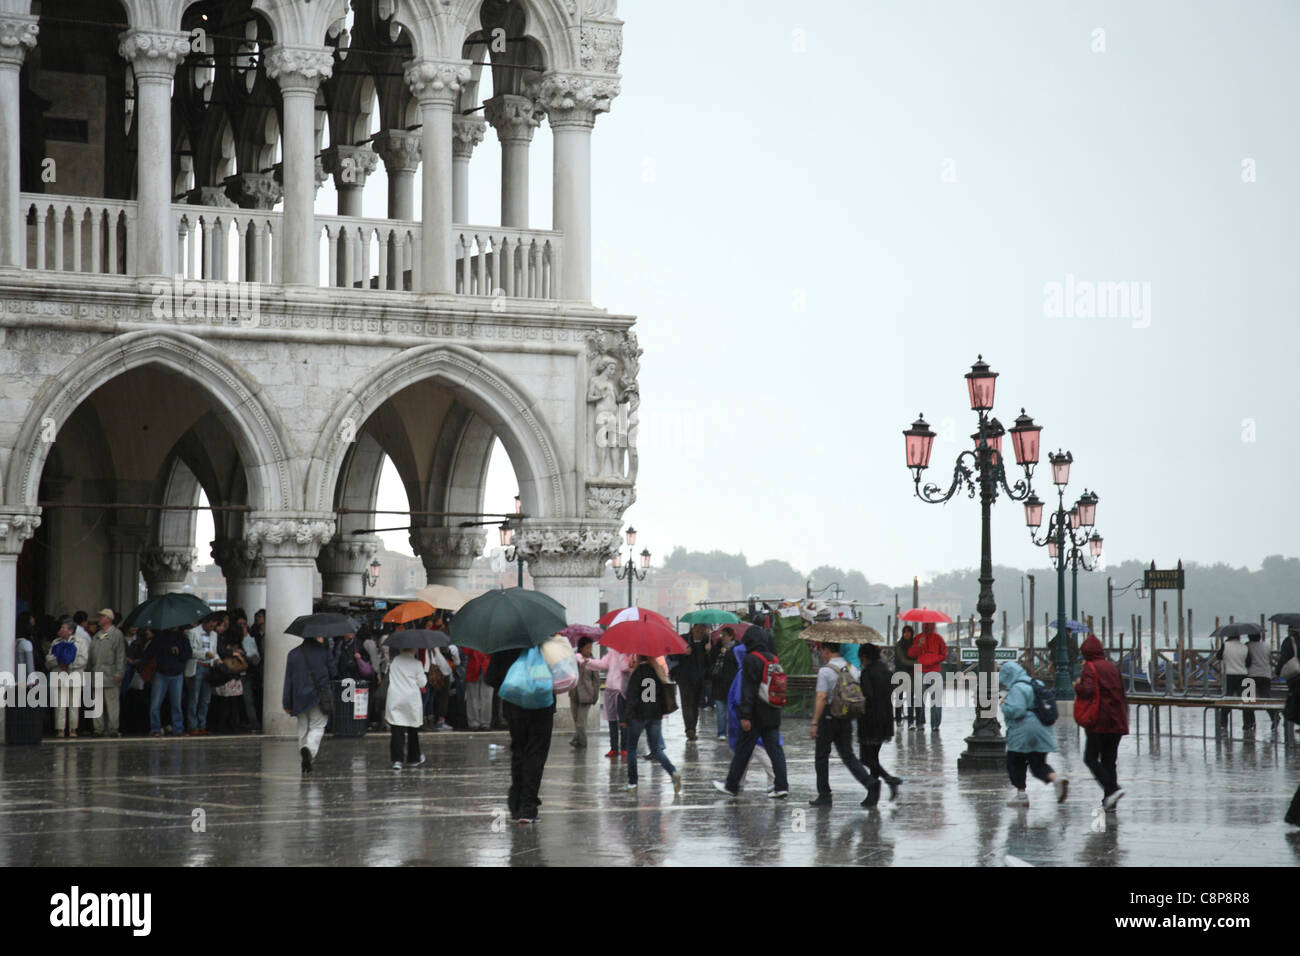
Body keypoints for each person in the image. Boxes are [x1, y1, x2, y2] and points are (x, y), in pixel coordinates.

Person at [714, 627, 789, 799]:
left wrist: (745, 715)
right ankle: (781, 786)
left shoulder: (751, 659)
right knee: (775, 751)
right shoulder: (773, 658)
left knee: (742, 750)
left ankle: (732, 786)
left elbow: (747, 690)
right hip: (773, 711)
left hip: (756, 714)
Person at [486, 646, 555, 824]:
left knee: (519, 751)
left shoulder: (506, 644)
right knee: (536, 754)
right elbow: (561, 675)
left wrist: (512, 681)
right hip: (542, 704)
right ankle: (528, 806)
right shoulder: (545, 643)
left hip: (514, 705)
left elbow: (491, 677)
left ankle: (516, 803)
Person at [808, 641, 880, 808]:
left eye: (821, 650)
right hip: (846, 716)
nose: (821, 654)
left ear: (826, 650)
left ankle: (824, 794)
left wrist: (814, 722)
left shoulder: (825, 671)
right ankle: (870, 782)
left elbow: (821, 697)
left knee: (821, 756)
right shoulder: (852, 668)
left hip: (828, 716)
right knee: (848, 755)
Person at [999, 660, 1067, 806]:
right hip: (1042, 729)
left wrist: (1004, 705)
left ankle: (1021, 795)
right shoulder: (1038, 684)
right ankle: (1056, 779)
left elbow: (1017, 710)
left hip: (1023, 732)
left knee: (1015, 762)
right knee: (1038, 764)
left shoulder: (1017, 688)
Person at [1073, 634, 1128, 811]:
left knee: (1090, 758)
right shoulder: (1113, 667)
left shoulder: (1089, 667)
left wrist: (1077, 685)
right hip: (1117, 720)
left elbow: (1087, 690)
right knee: (1109, 761)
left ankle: (1112, 789)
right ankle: (1109, 801)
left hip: (1099, 721)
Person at [622, 654, 682, 793]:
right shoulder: (658, 671)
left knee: (631, 748)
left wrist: (626, 717)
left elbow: (632, 696)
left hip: (638, 715)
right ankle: (673, 771)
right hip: (655, 715)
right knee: (656, 750)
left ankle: (632, 783)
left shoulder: (638, 672)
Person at [283, 636, 338, 773]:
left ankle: (304, 753)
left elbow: (288, 680)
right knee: (317, 726)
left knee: (303, 727)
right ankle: (309, 750)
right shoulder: (324, 652)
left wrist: (287, 702)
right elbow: (334, 672)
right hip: (318, 697)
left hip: (299, 698)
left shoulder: (293, 654)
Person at [857, 642, 902, 799]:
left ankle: (890, 779)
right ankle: (873, 795)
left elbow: (867, 696)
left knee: (865, 758)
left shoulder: (867, 673)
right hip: (885, 718)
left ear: (865, 657)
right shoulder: (885, 669)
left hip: (870, 720)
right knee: (873, 757)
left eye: (861, 658)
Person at [584, 645, 631, 759]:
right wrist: (588, 661)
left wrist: (622, 655)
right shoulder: (612, 653)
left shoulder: (630, 654)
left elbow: (625, 667)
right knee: (612, 720)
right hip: (610, 689)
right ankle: (613, 748)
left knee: (623, 721)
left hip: (622, 691)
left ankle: (624, 748)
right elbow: (602, 664)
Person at [46, 617, 89, 738]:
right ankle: (60, 729)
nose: (61, 630)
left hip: (74, 676)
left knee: (74, 704)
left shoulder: (81, 642)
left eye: (63, 628)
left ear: (70, 630)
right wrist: (59, 662)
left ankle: (73, 729)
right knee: (59, 704)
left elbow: (83, 659)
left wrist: (68, 664)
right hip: (59, 676)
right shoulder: (56, 642)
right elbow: (49, 658)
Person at [386, 646, 428, 770]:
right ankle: (414, 758)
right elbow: (422, 683)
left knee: (397, 729)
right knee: (412, 729)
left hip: (395, 698)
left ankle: (397, 760)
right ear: (413, 649)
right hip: (411, 699)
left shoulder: (394, 662)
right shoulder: (417, 664)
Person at [145, 627, 191, 737]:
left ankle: (178, 728)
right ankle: (155, 728)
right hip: (161, 672)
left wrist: (178, 652)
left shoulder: (182, 638)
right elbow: (150, 652)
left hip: (176, 673)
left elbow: (188, 654)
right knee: (156, 704)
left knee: (176, 704)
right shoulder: (159, 637)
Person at [668, 623, 710, 741]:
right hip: (684, 677)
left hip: (700, 678)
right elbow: (672, 656)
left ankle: (693, 728)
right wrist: (682, 651)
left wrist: (709, 651)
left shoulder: (707, 641)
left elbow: (710, 661)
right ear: (693, 629)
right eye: (698, 631)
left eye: (702, 631)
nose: (700, 634)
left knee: (695, 704)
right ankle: (689, 729)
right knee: (687, 703)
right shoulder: (682, 639)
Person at [186, 614, 223, 735]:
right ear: (206, 622)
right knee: (194, 698)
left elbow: (214, 651)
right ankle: (193, 726)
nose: (212, 627)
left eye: (214, 625)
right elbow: (190, 651)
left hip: (209, 667)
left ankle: (202, 725)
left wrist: (217, 659)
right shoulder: (193, 632)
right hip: (197, 666)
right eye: (211, 625)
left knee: (205, 699)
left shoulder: (214, 634)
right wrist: (204, 654)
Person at [908, 623, 947, 732]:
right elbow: (911, 654)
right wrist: (919, 645)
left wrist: (932, 659)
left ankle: (935, 724)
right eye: (925, 626)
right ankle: (920, 723)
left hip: (935, 671)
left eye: (929, 626)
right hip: (919, 670)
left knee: (936, 700)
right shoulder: (917, 638)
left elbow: (943, 654)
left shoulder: (938, 639)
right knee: (919, 699)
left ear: (932, 626)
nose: (927, 627)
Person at [709, 625, 743, 739]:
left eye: (724, 635)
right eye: (721, 635)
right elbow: (711, 661)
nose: (722, 637)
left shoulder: (737, 648)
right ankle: (721, 732)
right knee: (720, 710)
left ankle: (733, 732)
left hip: (732, 683)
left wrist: (726, 654)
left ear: (731, 636)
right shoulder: (717, 647)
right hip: (718, 683)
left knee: (732, 711)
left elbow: (738, 663)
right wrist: (710, 651)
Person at [1214, 633, 1249, 734]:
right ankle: (1247, 723)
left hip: (1229, 675)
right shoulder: (1244, 647)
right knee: (1245, 700)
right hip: (1243, 675)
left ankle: (1223, 723)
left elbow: (1218, 656)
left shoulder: (1225, 645)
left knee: (1227, 699)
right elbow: (1249, 661)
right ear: (1239, 637)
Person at [570, 637, 601, 748]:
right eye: (587, 648)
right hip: (574, 694)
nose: (589, 650)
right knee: (576, 721)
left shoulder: (592, 661)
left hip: (587, 695)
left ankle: (583, 744)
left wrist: (595, 696)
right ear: (581, 648)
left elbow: (596, 681)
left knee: (580, 723)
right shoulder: (574, 659)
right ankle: (577, 740)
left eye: (590, 648)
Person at [1244, 632, 1278, 734]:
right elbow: (1270, 659)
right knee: (1266, 698)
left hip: (1251, 675)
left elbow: (1246, 661)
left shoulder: (1247, 646)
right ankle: (1275, 716)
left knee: (1248, 700)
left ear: (1249, 636)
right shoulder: (1267, 646)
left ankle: (1250, 722)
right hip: (1265, 675)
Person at [463, 646, 492, 731]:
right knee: (474, 698)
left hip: (486, 667)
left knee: (486, 698)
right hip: (475, 668)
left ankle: (483, 723)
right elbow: (466, 651)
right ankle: (476, 722)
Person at [894, 625, 917, 726]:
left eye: (909, 632)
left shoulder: (915, 645)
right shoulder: (899, 645)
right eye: (905, 632)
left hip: (911, 674)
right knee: (899, 697)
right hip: (900, 673)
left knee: (910, 697)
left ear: (912, 633)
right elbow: (902, 660)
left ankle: (911, 720)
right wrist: (916, 663)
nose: (907, 634)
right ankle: (898, 719)